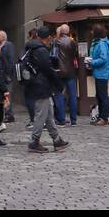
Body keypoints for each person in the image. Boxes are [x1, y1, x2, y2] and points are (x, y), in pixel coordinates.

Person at [22, 26, 69, 155]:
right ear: (48, 38)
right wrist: (59, 85)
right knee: (41, 115)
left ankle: (56, 139)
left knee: (48, 113)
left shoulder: (31, 47)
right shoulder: (41, 50)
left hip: (39, 85)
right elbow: (48, 70)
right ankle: (34, 141)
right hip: (41, 86)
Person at [52, 24, 79, 127]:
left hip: (59, 71)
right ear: (68, 31)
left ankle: (61, 120)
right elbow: (75, 56)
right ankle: (74, 120)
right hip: (71, 71)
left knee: (59, 95)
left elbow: (53, 56)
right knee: (72, 95)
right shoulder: (72, 42)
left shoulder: (56, 41)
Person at [87, 23, 109, 125]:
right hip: (99, 73)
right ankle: (101, 116)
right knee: (99, 95)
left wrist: (91, 62)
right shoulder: (98, 42)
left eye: (93, 31)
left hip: (102, 73)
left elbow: (103, 59)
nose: (91, 32)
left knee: (103, 96)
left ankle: (104, 118)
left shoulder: (101, 44)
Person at [0, 30, 16, 122]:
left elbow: (10, 61)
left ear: (3, 37)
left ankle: (9, 115)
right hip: (0, 74)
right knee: (2, 95)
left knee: (7, 95)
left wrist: (8, 74)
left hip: (7, 75)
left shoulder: (8, 45)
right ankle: (6, 114)